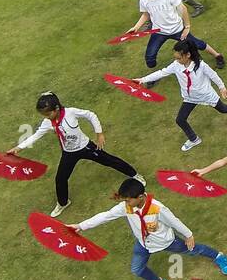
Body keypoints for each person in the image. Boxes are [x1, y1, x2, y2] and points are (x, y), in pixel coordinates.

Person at [70, 178, 227, 280]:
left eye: (128, 200)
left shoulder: (158, 208)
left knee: (194, 250)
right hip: (143, 244)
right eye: (125, 200)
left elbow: (174, 221)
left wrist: (188, 235)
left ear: (140, 197)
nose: (126, 203)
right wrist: (81, 226)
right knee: (136, 269)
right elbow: (105, 216)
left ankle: (219, 257)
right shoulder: (126, 207)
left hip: (167, 242)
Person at [8, 92, 138, 217]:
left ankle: (135, 175)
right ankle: (63, 203)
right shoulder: (47, 122)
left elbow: (90, 115)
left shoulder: (71, 112)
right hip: (68, 153)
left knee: (110, 160)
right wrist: (18, 148)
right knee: (60, 179)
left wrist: (99, 133)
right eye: (44, 115)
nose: (46, 117)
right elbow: (36, 135)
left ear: (57, 108)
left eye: (48, 113)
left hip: (86, 147)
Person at [137, 40, 227, 153]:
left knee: (223, 109)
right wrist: (142, 80)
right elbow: (161, 72)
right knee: (180, 119)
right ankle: (194, 139)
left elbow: (213, 75)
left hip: (206, 95)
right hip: (190, 98)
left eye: (179, 58)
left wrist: (222, 87)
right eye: (175, 58)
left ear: (188, 55)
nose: (176, 60)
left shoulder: (201, 66)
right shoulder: (176, 65)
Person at [127, 0, 226, 70]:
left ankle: (217, 56)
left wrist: (187, 27)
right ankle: (155, 77)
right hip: (159, 32)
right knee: (150, 60)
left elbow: (183, 8)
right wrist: (136, 27)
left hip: (177, 29)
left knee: (198, 44)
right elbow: (146, 14)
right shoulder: (143, 0)